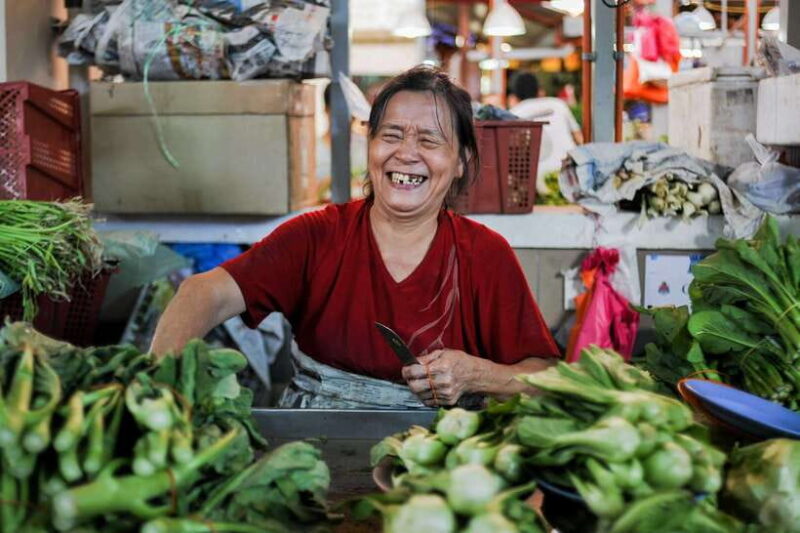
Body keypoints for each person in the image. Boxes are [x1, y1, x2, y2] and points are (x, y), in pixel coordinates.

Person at [151, 66, 560, 409]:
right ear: (371, 146)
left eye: (430, 140)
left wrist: (479, 374)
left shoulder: (484, 254)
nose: (406, 153)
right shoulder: (315, 236)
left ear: (460, 162)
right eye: (392, 135)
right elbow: (205, 293)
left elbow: (544, 375)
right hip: (317, 443)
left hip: (444, 461)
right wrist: (157, 384)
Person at [507, 72, 583, 193]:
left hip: (534, 184)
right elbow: (579, 139)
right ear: (539, 91)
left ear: (514, 96)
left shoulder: (514, 113)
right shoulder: (558, 104)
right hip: (571, 177)